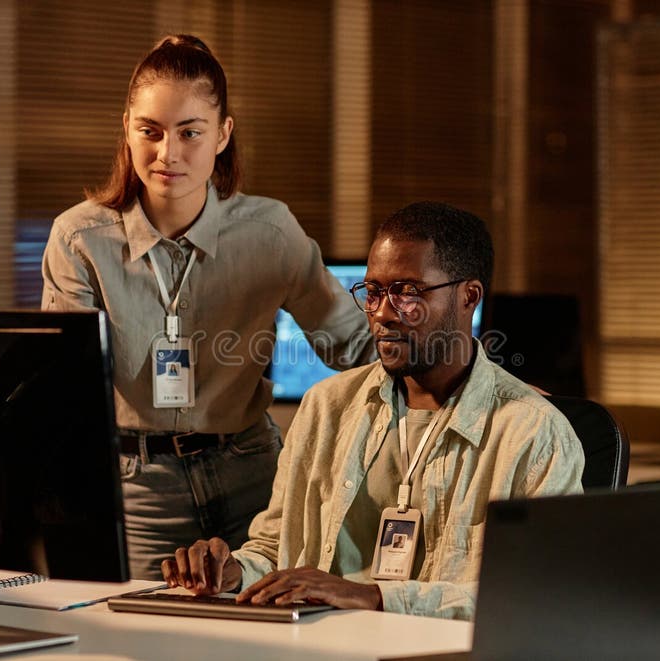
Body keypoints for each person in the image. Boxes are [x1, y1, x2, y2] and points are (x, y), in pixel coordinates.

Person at [40, 34, 372, 579]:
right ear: (126, 127)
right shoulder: (81, 239)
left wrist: (477, 379)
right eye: (150, 130)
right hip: (140, 487)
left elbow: (354, 346)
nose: (167, 153)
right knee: (150, 633)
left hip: (253, 477)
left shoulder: (269, 231)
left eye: (190, 133)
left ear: (222, 135)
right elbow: (68, 388)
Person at [163, 201, 585, 620]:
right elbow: (277, 548)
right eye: (374, 292)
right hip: (318, 648)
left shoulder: (531, 432)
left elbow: (542, 595)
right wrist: (232, 569)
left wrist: (373, 596)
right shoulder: (327, 408)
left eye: (407, 292)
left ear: (468, 296)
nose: (383, 313)